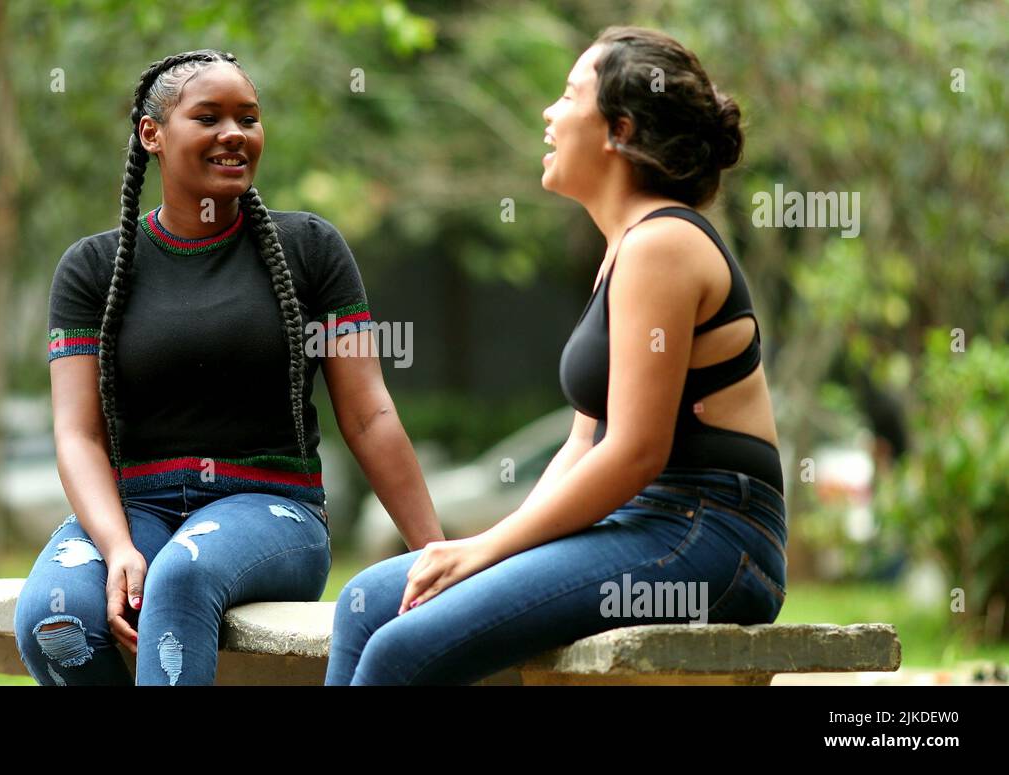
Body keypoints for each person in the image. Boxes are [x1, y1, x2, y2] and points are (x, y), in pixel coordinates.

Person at [326, 26, 788, 685]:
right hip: (650, 524)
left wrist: (486, 546)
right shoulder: (624, 249)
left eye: (568, 96)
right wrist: (495, 546)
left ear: (618, 130)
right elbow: (583, 444)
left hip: (711, 534)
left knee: (403, 649)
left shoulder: (664, 246)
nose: (548, 113)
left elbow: (635, 451)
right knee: (366, 600)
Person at [14, 49, 441, 686]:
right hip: (136, 512)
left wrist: (435, 553)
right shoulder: (92, 269)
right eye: (208, 117)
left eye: (249, 117)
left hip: (273, 511)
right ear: (151, 133)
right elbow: (77, 435)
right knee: (56, 622)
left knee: (183, 575)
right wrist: (117, 547)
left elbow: (369, 413)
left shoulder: (312, 250)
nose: (234, 134)